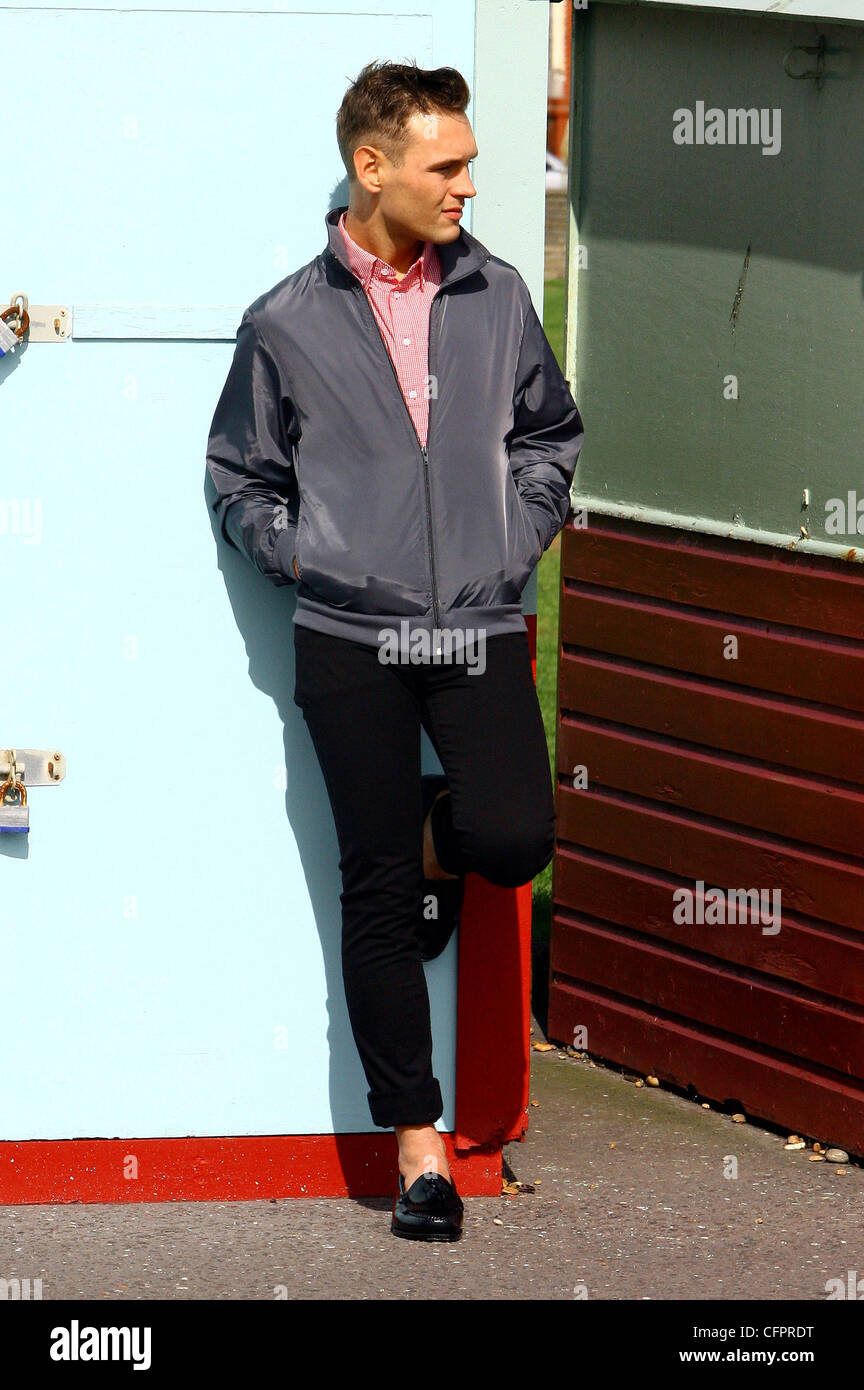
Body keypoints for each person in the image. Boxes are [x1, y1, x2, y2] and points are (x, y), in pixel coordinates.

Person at [205, 59, 584, 1242]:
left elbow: (548, 437)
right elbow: (239, 477)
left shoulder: (497, 294)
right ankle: (420, 1149)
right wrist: (310, 556)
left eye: (469, 162)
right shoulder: (286, 319)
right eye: (449, 165)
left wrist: (511, 542)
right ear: (373, 169)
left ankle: (442, 825)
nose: (470, 183)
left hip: (474, 625)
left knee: (514, 835)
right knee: (372, 886)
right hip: (350, 639)